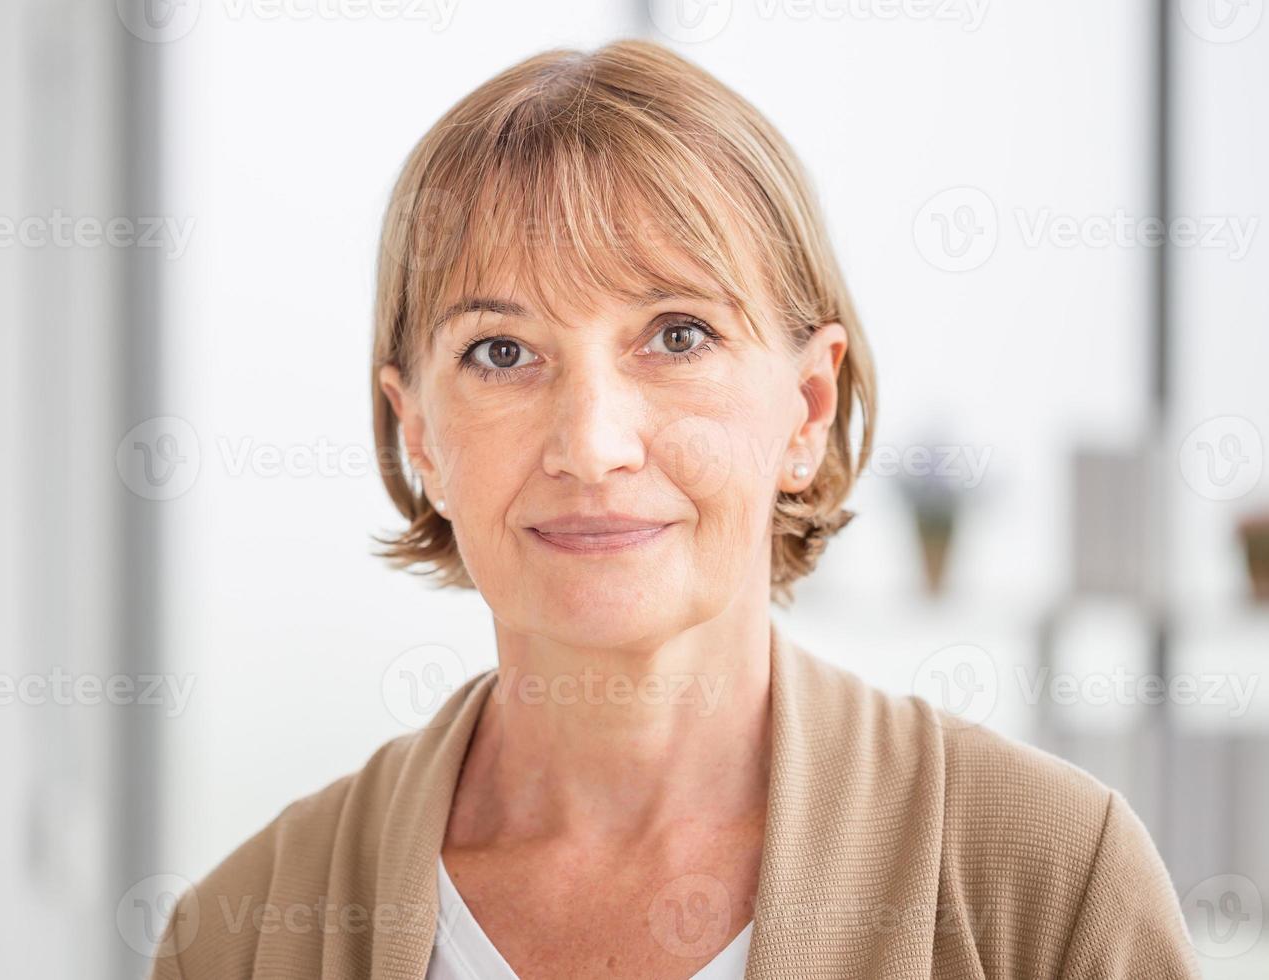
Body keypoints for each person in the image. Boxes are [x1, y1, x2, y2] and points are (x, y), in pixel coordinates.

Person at [149, 39, 1200, 979]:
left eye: (677, 335)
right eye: (501, 352)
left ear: (805, 405)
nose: (591, 445)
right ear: (416, 430)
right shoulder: (240, 941)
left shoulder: (1052, 886)